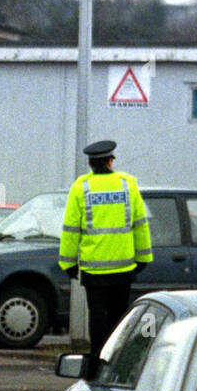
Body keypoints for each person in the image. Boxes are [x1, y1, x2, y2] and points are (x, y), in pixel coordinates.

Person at [58, 139, 153, 364]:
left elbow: (71, 228)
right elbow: (140, 224)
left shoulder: (81, 188)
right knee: (120, 317)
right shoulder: (127, 184)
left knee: (97, 318)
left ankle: (98, 360)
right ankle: (118, 359)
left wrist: (69, 264)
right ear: (110, 162)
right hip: (123, 267)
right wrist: (143, 258)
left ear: (91, 164)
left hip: (94, 270)